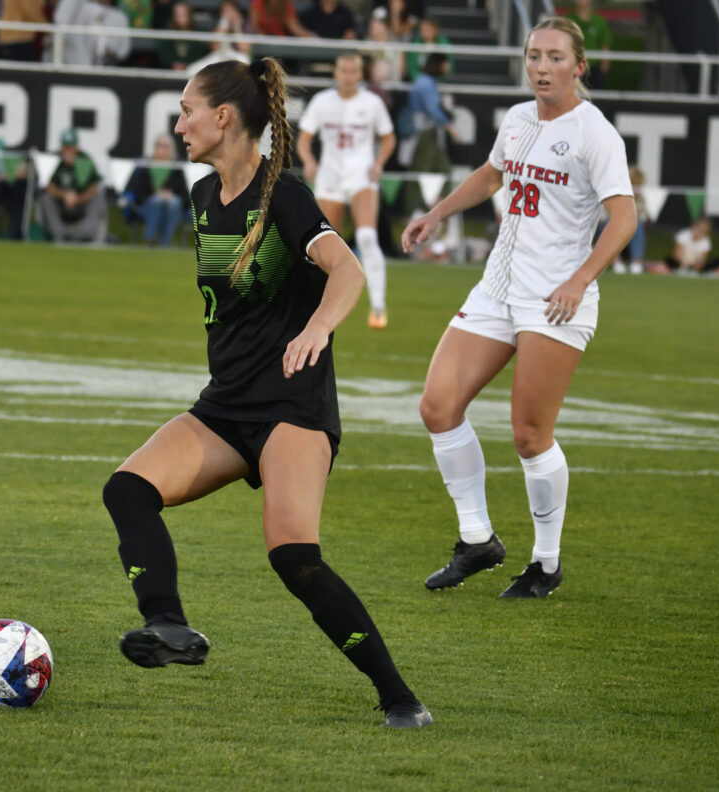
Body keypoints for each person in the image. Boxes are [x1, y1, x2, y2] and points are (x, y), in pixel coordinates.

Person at [103, 57, 432, 729]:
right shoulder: (202, 196)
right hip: (226, 406)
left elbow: (347, 270)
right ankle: (168, 627)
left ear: (223, 117)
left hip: (292, 407)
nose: (178, 124)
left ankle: (401, 698)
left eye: (187, 110)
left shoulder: (283, 193)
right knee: (127, 489)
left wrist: (316, 329)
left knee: (293, 555)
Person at [401, 17, 636, 598]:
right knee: (437, 406)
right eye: (534, 56)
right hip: (497, 290)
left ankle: (547, 564)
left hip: (555, 299)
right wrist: (437, 214)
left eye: (555, 57)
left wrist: (581, 280)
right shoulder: (518, 118)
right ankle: (477, 539)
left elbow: (624, 217)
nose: (542, 67)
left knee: (530, 436)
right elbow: (490, 175)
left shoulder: (594, 133)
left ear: (578, 67)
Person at [297, 53, 395, 329]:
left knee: (366, 236)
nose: (348, 76)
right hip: (330, 174)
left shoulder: (372, 103)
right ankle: (320, 307)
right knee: (326, 243)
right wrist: (309, 160)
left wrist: (378, 164)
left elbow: (388, 138)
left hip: (361, 174)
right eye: (343, 70)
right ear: (335, 73)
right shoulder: (322, 102)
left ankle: (378, 305)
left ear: (360, 75)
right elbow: (304, 139)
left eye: (353, 71)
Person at [397, 53, 458, 211]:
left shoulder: (426, 82)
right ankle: (412, 211)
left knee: (444, 170)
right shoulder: (425, 84)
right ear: (438, 65)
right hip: (423, 134)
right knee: (419, 172)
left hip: (427, 132)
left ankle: (442, 208)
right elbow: (433, 110)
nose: (448, 67)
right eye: (446, 63)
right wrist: (450, 128)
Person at [36, 127, 108, 243]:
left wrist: (78, 199)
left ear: (76, 147)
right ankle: (57, 234)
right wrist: (64, 195)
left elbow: (94, 186)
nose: (68, 151)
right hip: (59, 203)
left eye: (71, 147)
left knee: (99, 195)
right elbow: (46, 184)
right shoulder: (53, 159)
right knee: (45, 197)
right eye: (66, 147)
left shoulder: (85, 160)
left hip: (81, 202)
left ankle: (86, 234)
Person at [122, 134, 189, 246]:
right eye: (159, 145)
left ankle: (165, 243)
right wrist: (156, 194)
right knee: (156, 201)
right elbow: (136, 191)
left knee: (173, 203)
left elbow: (184, 196)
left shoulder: (177, 167)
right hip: (147, 205)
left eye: (165, 146)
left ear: (171, 149)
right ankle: (150, 239)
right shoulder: (145, 165)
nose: (162, 149)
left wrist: (170, 195)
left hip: (172, 207)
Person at [567, 0, 611, 90]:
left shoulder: (599, 21)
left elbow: (605, 45)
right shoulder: (568, 21)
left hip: (593, 70)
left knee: (595, 99)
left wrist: (604, 65)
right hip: (572, 68)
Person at [156, 1, 209, 71]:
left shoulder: (198, 33)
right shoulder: (168, 33)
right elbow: (164, 54)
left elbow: (200, 53)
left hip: (194, 70)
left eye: (183, 15)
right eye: (178, 15)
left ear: (189, 15)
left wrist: (187, 64)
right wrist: (173, 63)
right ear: (173, 16)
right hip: (171, 70)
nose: (181, 18)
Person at [405, 17, 454, 82]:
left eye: (428, 29)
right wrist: (420, 79)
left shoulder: (443, 42)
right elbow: (411, 66)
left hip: (439, 81)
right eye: (422, 30)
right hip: (420, 81)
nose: (425, 32)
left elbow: (448, 64)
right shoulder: (417, 42)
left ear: (435, 30)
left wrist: (437, 80)